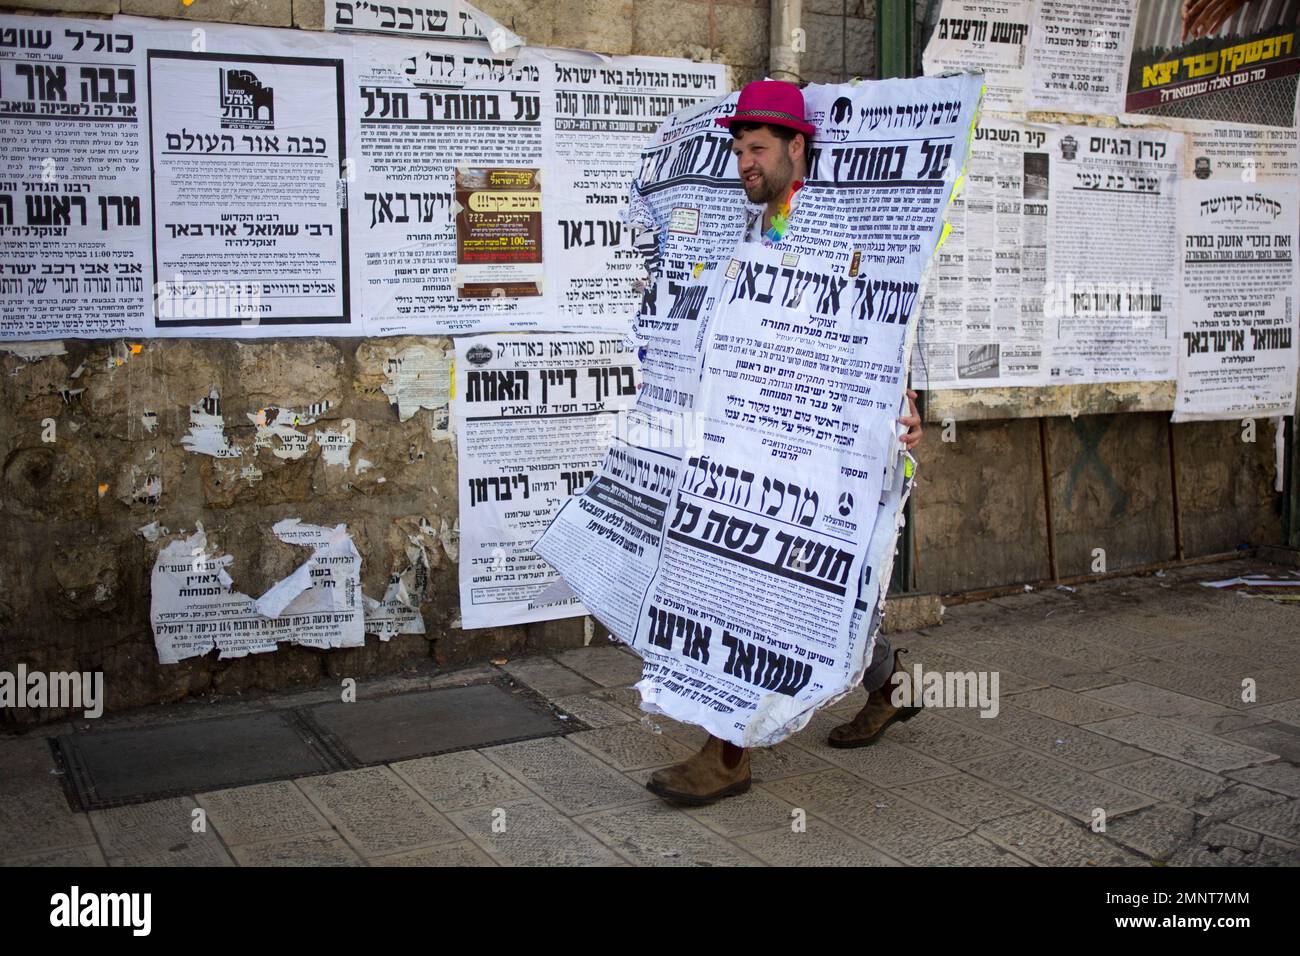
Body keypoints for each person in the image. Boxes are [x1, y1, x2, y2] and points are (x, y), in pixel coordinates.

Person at [646, 80, 924, 806]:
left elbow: (883, 325)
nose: (745, 161)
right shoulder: (757, 225)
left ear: (798, 147)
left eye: (758, 149)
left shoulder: (833, 227)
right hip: (753, 438)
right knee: (817, 589)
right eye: (739, 149)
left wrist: (907, 406)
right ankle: (892, 684)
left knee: (760, 590)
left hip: (823, 446)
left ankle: (726, 757)